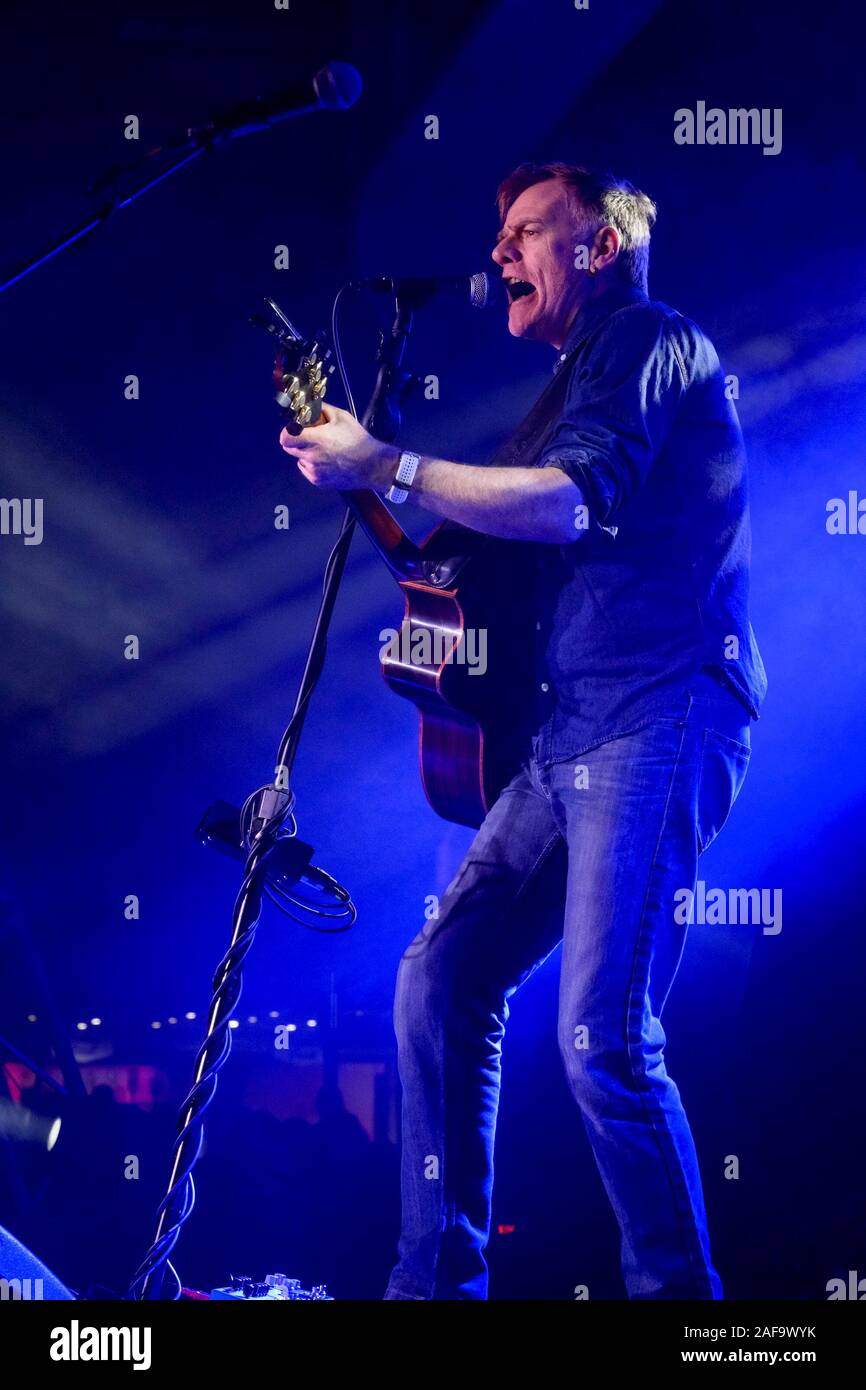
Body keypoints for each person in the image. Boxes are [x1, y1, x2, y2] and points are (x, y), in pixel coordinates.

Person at [279, 161, 767, 1300]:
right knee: (437, 985)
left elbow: (566, 501)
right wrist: (354, 473)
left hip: (661, 711)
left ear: (597, 246)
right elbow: (461, 558)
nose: (497, 252)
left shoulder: (648, 339)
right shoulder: (568, 388)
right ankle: (434, 1285)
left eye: (525, 231)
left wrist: (390, 463)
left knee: (601, 1037)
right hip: (570, 736)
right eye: (497, 233)